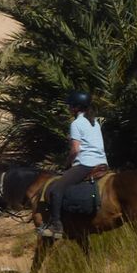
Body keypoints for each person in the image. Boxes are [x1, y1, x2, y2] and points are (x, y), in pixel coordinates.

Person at [38, 91, 107, 239]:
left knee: (56, 189)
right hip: (102, 162)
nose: (69, 108)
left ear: (76, 107)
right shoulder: (94, 122)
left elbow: (75, 149)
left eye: (70, 105)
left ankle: (56, 226)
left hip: (86, 164)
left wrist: (67, 162)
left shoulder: (76, 124)